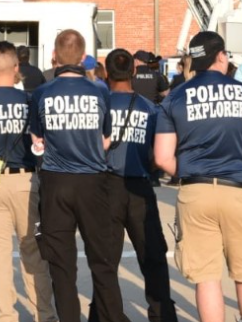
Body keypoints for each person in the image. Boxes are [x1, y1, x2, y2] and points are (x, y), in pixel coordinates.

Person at [155, 31, 242, 322]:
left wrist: (188, 173)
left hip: (195, 191)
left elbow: (161, 157)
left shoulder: (174, 99)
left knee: (207, 277)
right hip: (238, 189)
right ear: (221, 56)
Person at [30, 29, 128, 322]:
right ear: (84, 57)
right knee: (102, 260)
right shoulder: (99, 90)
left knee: (61, 266)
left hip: (56, 180)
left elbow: (37, 139)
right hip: (92, 181)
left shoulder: (42, 92)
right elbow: (106, 139)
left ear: (56, 56)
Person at [0, 41, 57, 322]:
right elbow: (42, 143)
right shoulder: (30, 102)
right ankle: (45, 315)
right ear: (17, 68)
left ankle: (4, 316)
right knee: (34, 255)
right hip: (26, 181)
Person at [95, 48, 180, 322]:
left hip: (105, 188)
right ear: (133, 71)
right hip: (140, 187)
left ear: (107, 73)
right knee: (153, 258)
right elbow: (159, 155)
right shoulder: (150, 109)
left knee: (106, 261)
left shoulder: (99, 106)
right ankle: (162, 315)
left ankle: (106, 316)